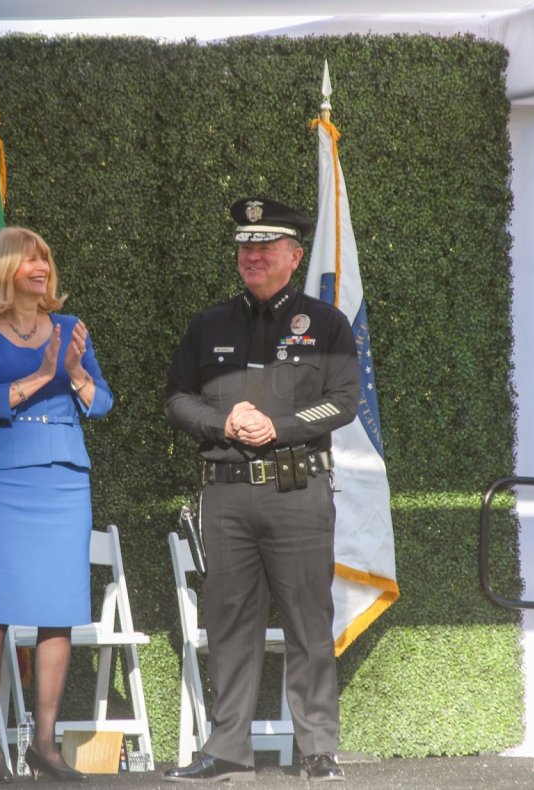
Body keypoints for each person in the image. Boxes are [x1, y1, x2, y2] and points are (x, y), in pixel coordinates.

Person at [163, 198, 359, 784]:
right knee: (228, 625)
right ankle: (227, 751)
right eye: (245, 247)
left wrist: (281, 427)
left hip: (297, 492)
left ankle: (317, 750)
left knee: (307, 621)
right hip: (225, 497)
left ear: (294, 257)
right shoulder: (209, 324)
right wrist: (222, 423)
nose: (252, 256)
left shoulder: (326, 325)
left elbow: (344, 402)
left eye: (265, 247)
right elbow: (177, 399)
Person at [0, 226, 113, 784]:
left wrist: (74, 374)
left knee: (58, 607)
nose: (42, 267)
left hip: (62, 480)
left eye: (45, 258)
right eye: (29, 260)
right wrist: (44, 374)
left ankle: (44, 744)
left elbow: (102, 402)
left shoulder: (70, 327)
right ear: (5, 270)